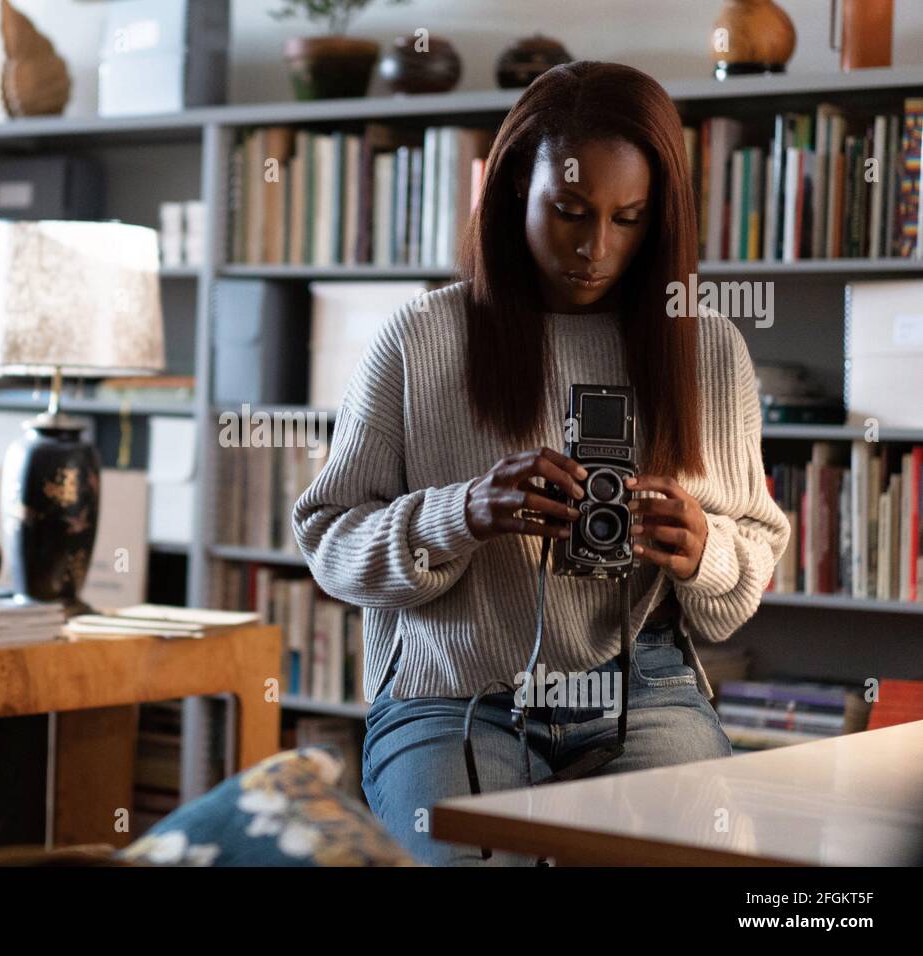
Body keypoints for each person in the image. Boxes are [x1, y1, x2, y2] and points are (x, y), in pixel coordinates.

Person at [291, 61, 792, 866]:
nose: (597, 248)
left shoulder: (706, 351)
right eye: (569, 211)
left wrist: (703, 549)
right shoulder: (422, 339)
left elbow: (745, 571)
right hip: (453, 695)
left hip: (644, 690)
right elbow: (328, 542)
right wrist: (458, 516)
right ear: (513, 185)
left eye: (630, 219)